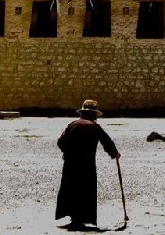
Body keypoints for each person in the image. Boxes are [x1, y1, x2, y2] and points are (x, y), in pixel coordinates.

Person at [55, 99, 121, 231]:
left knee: (71, 188)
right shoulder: (94, 127)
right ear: (94, 114)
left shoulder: (72, 124)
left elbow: (60, 142)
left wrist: (68, 152)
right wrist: (114, 154)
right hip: (87, 165)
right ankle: (81, 218)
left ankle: (74, 218)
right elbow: (107, 142)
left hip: (70, 164)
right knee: (85, 189)